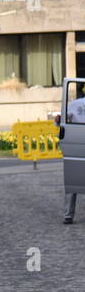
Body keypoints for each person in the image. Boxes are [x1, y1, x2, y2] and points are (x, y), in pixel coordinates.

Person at [62, 90, 85, 224]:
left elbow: (61, 122)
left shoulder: (73, 104)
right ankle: (68, 214)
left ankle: (68, 215)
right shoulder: (74, 104)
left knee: (73, 178)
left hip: (76, 142)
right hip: (78, 143)